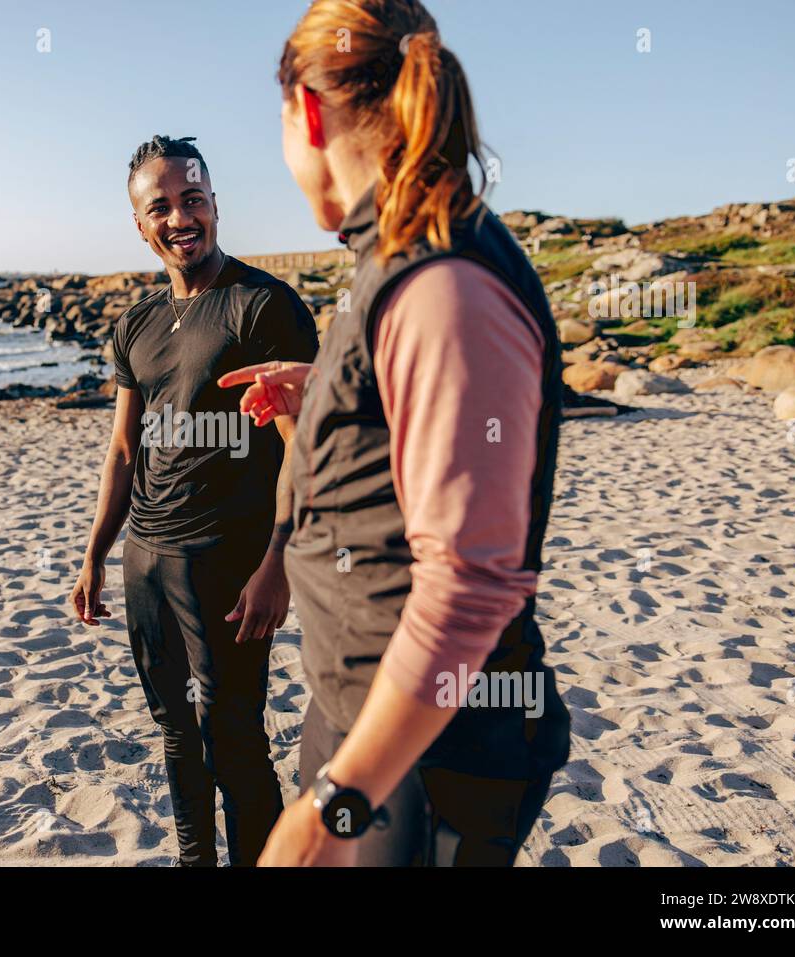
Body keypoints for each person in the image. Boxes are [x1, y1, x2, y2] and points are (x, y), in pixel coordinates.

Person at [218, 0, 570, 866]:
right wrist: (331, 391)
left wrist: (334, 804)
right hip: (367, 714)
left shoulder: (441, 276)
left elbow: (470, 588)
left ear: (307, 111)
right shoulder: (393, 252)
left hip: (432, 751)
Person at [70, 135, 319, 866]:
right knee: (176, 732)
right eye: (161, 207)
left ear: (214, 206)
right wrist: (94, 555)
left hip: (231, 557)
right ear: (140, 226)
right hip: (147, 558)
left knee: (234, 735)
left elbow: (299, 445)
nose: (180, 218)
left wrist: (278, 562)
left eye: (193, 200)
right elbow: (123, 450)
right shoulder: (135, 326)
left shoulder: (262, 307)